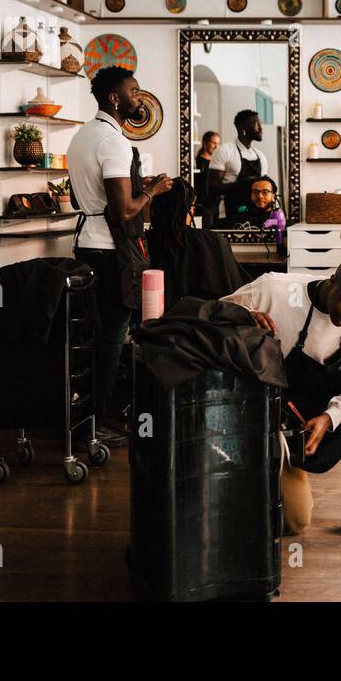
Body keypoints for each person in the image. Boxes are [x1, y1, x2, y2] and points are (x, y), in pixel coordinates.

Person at [227, 254, 341, 542]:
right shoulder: (273, 291)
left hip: (322, 407)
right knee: (292, 520)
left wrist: (331, 417)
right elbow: (212, 314)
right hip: (272, 413)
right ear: (333, 279)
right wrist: (241, 317)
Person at [67, 66, 173, 445]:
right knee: (113, 336)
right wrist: (154, 190)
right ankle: (96, 422)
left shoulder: (83, 136)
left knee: (98, 335)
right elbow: (123, 211)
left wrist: (135, 187)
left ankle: (87, 417)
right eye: (134, 91)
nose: (139, 97)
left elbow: (92, 198)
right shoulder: (113, 142)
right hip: (110, 251)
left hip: (86, 243)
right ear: (115, 98)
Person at [147, 177, 247, 306]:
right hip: (205, 319)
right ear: (191, 208)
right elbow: (234, 291)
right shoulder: (214, 241)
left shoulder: (145, 240)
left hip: (157, 318)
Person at [207, 109, 268, 226]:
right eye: (256, 124)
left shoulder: (261, 156)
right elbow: (212, 187)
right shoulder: (224, 151)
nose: (261, 128)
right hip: (229, 213)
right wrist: (241, 184)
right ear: (242, 127)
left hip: (255, 215)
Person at [192, 130, 219, 219]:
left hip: (215, 204)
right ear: (205, 143)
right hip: (202, 205)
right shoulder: (197, 162)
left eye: (218, 143)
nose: (216, 146)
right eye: (214, 143)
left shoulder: (217, 164)